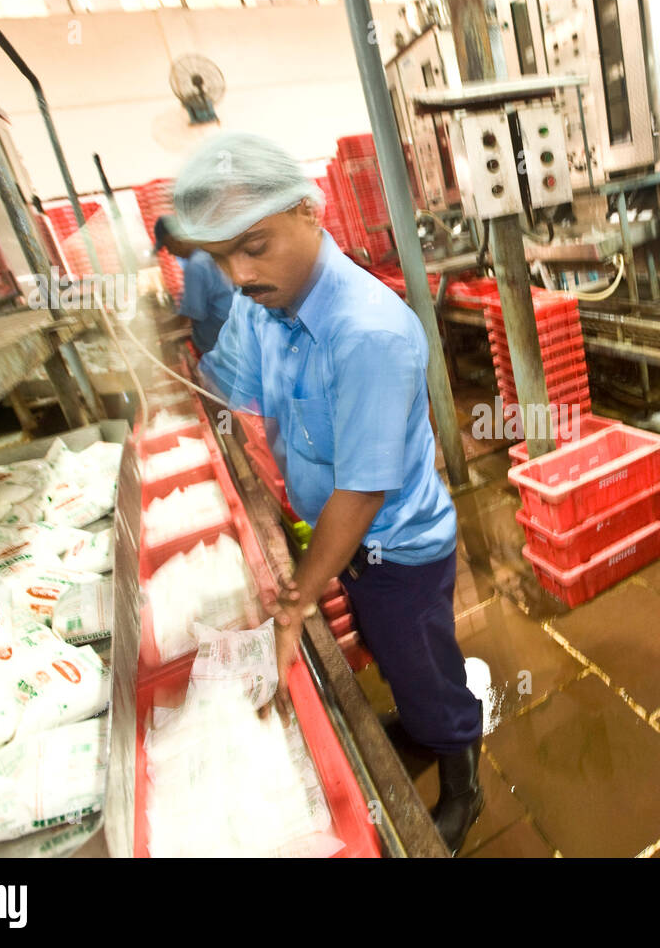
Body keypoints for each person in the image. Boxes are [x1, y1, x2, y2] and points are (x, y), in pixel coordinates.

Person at [172, 132, 484, 854]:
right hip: (347, 545)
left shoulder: (366, 332)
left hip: (397, 548)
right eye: (221, 257)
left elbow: (362, 493)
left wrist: (294, 602)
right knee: (393, 651)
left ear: (310, 212)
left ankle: (464, 768)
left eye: (255, 245)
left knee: (421, 655)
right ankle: (425, 715)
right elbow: (226, 385)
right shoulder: (263, 305)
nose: (239, 272)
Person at [154, 214, 236, 355]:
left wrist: (155, 329)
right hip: (233, 337)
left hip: (220, 347)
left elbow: (190, 314)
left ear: (175, 239)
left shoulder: (196, 265)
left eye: (168, 246)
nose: (170, 252)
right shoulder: (208, 253)